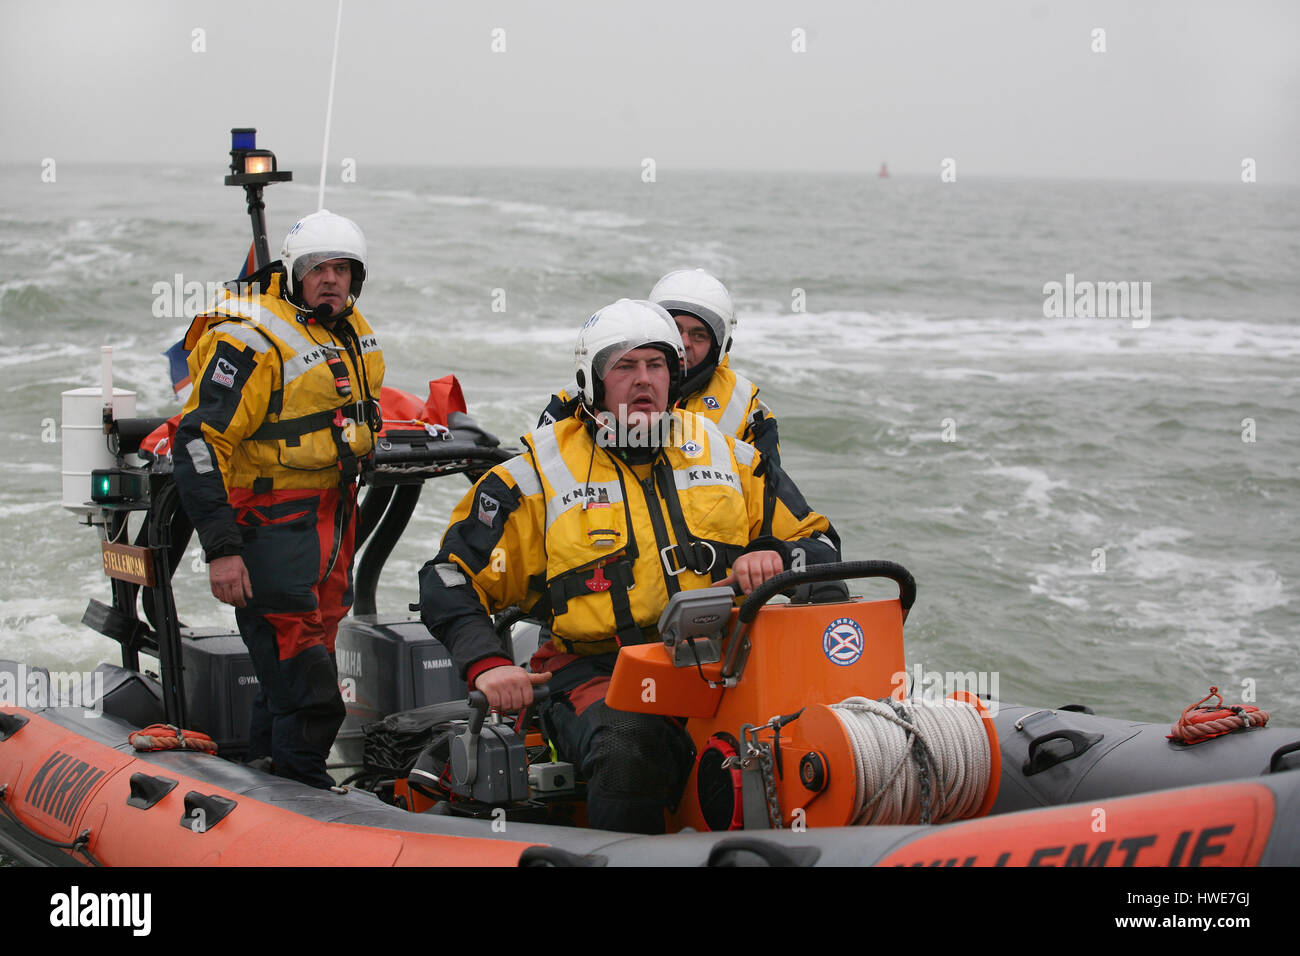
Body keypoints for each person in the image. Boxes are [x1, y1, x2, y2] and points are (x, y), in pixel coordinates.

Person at [420, 299, 838, 833]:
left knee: (818, 729)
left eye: (656, 365)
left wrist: (776, 554)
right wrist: (489, 664)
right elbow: (448, 577)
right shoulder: (536, 477)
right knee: (627, 745)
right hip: (599, 674)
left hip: (723, 663)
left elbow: (821, 542)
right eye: (625, 366)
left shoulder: (728, 456)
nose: (644, 380)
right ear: (592, 381)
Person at [173, 210, 385, 789]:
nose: (331, 279)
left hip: (333, 518)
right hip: (270, 524)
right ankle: (306, 790)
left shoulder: (344, 329)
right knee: (307, 679)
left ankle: (271, 774)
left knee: (309, 654)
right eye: (318, 268)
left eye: (342, 269)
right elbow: (194, 442)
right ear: (294, 274)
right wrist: (221, 548)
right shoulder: (248, 341)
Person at [538, 269, 780, 467]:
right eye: (676, 329)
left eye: (698, 335)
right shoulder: (582, 397)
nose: (684, 343)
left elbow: (767, 495)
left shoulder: (747, 409)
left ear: (720, 346)